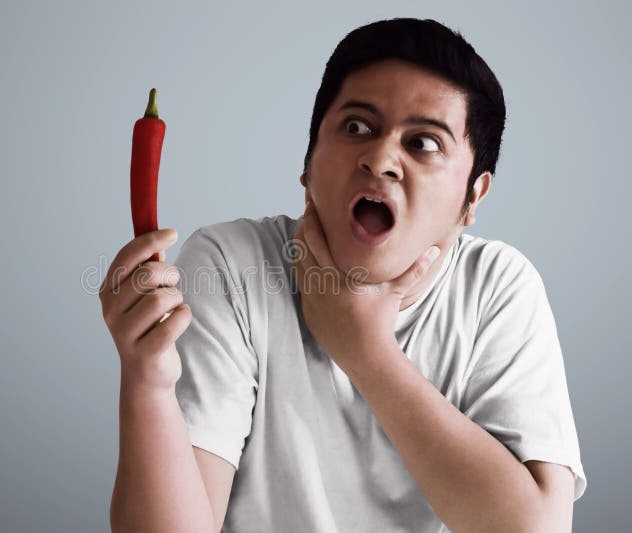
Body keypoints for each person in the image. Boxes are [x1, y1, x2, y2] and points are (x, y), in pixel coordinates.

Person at [102, 17, 586, 533]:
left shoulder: (497, 288)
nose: (380, 159)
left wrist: (365, 350)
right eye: (357, 127)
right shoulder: (231, 264)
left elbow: (537, 527)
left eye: (423, 143)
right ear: (309, 162)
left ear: (473, 197)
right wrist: (148, 386)